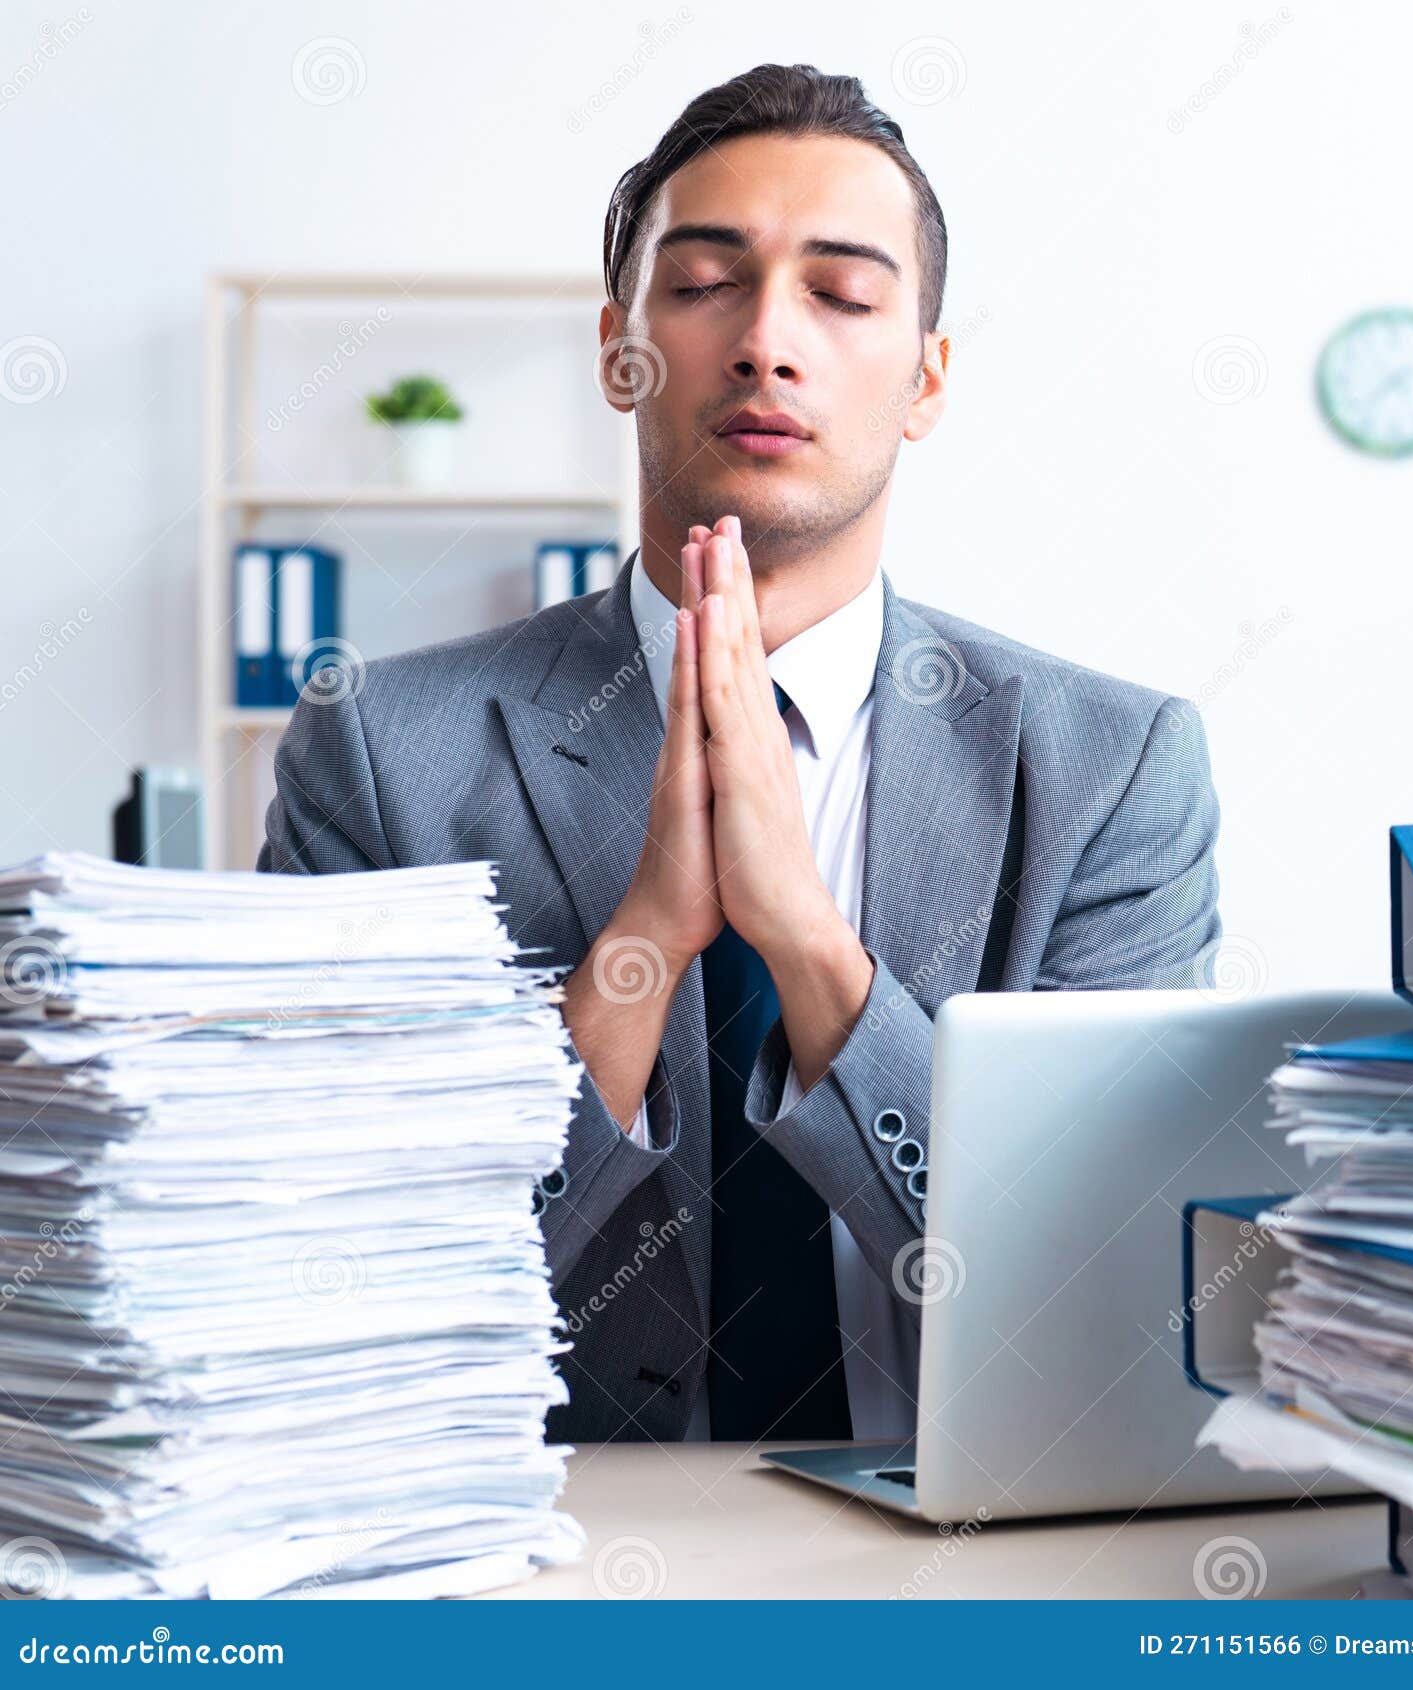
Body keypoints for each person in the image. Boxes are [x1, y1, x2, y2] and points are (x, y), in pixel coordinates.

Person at [258, 62, 1222, 1448]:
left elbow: (1106, 1285)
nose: (769, 338)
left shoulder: (1112, 769)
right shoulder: (376, 750)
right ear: (619, 348)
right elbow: (334, 1273)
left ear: (928, 377)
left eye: (843, 293)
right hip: (535, 1567)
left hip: (973, 1569)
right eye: (706, 281)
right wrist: (644, 943)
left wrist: (812, 950)